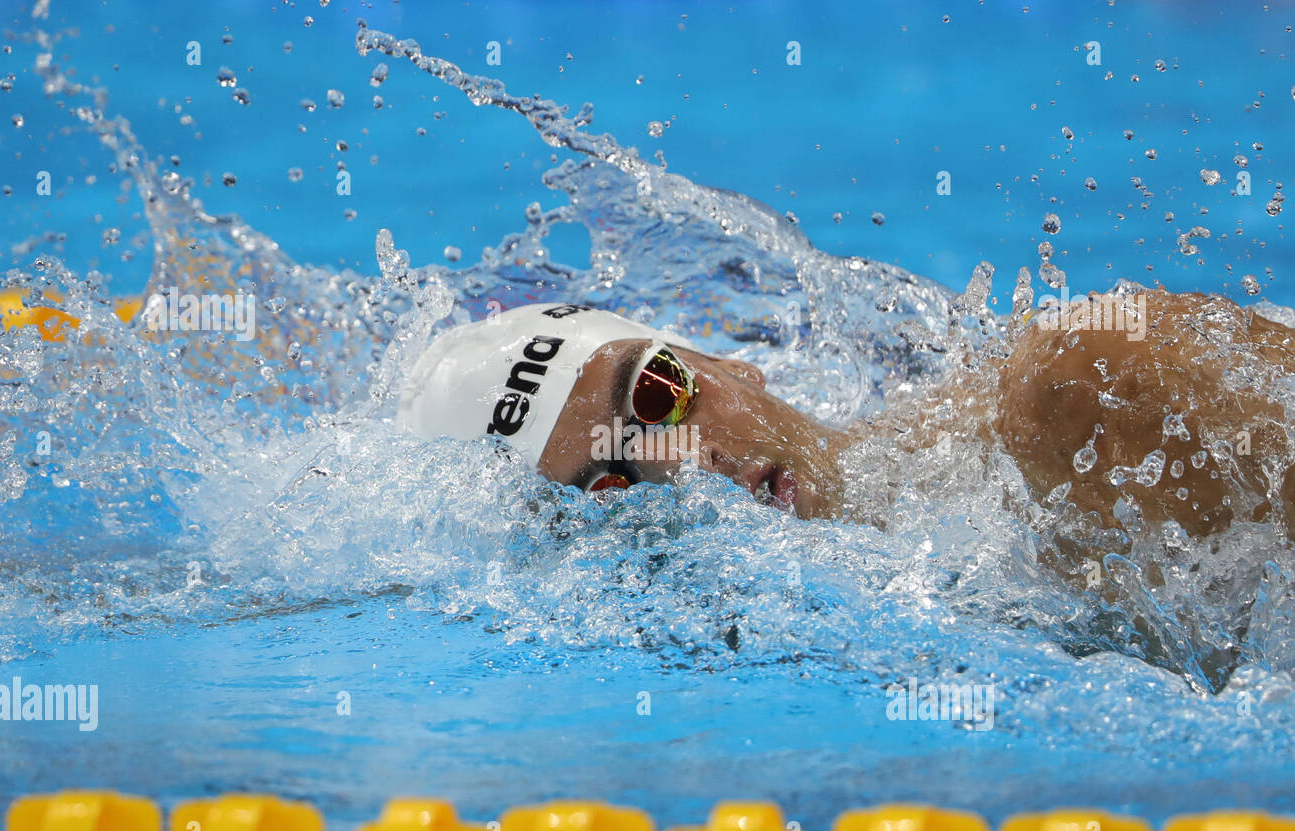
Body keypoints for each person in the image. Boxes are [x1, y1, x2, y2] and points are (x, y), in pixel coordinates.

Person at [397, 293, 1295, 539]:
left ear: (724, 361)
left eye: (657, 394)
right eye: (610, 487)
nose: (691, 466)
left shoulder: (1079, 391)